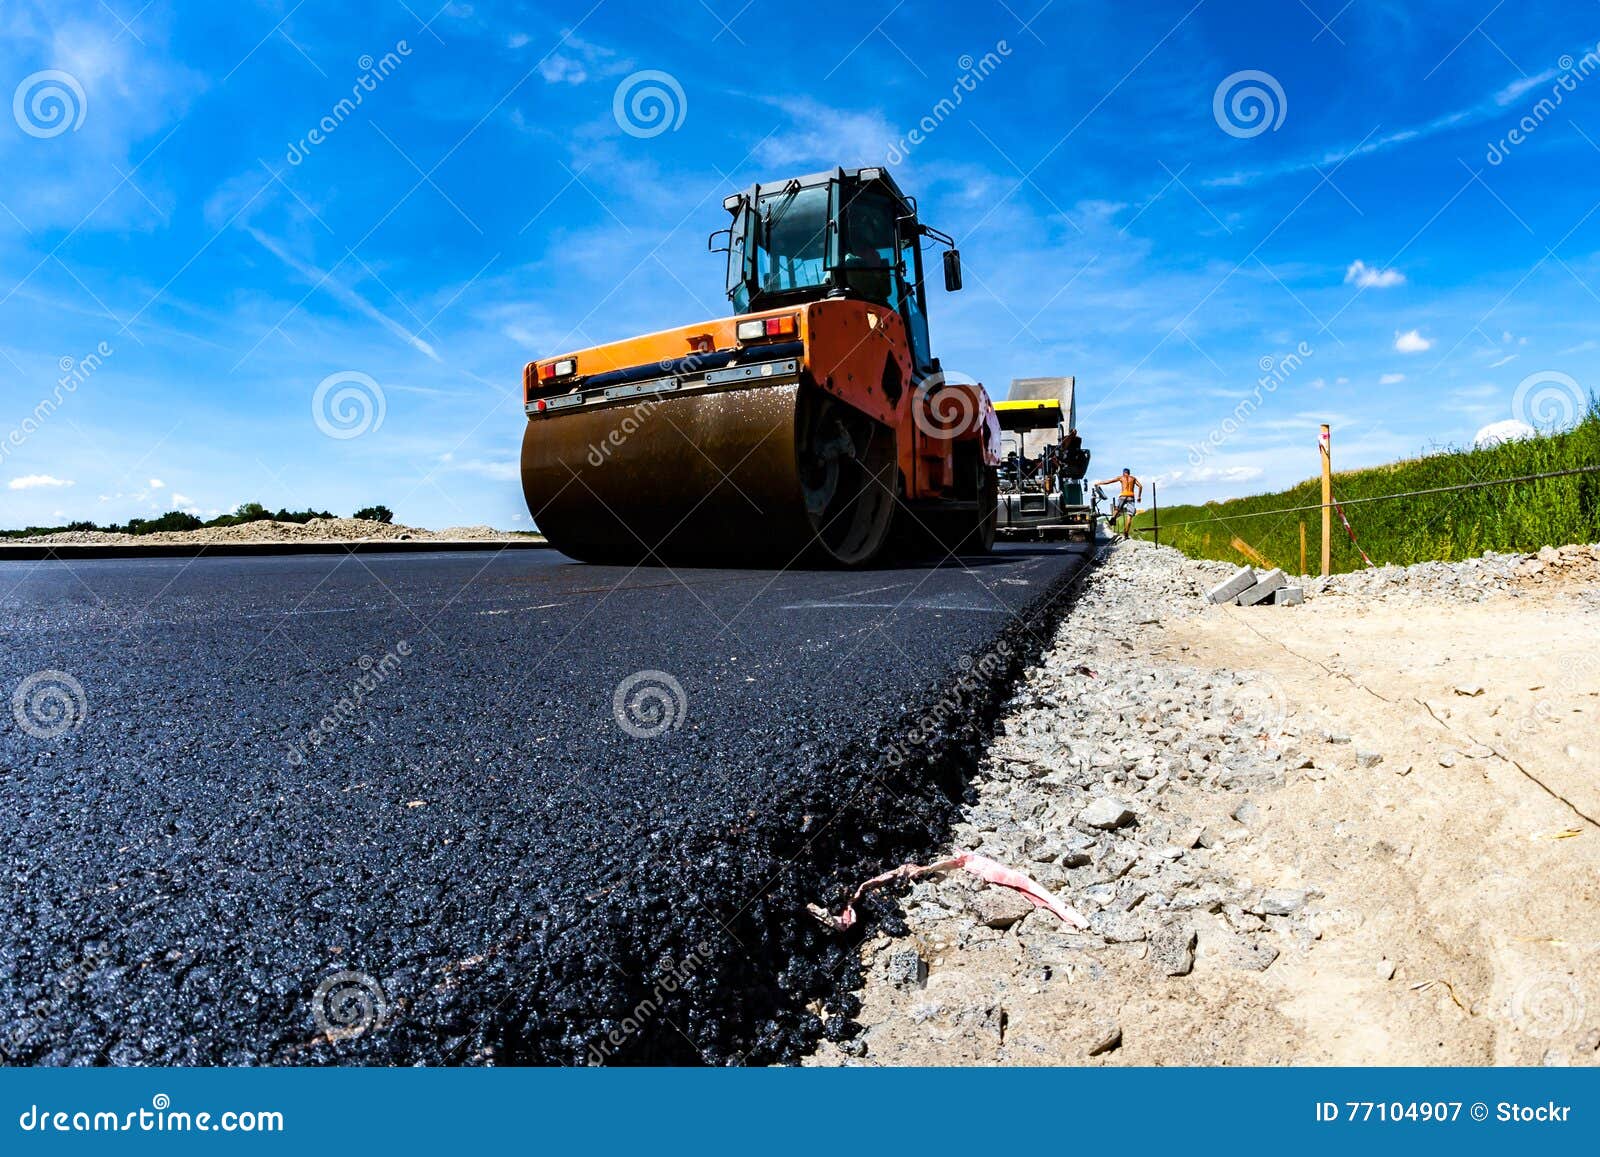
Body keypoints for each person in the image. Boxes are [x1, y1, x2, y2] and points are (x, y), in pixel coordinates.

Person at [1095, 467, 1143, 539]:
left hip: (1123, 496)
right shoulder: (1133, 478)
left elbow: (1109, 481)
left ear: (1123, 473)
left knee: (1117, 509)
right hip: (1131, 497)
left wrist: (1099, 483)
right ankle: (1126, 533)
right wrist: (1139, 496)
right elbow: (1140, 486)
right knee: (1129, 515)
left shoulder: (1121, 477)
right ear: (1129, 473)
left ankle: (1113, 518)